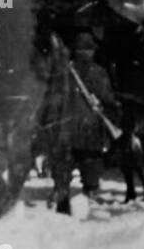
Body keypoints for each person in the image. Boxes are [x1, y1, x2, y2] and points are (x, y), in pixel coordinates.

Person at [42, 32, 119, 213]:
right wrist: (114, 109)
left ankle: (61, 191)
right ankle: (90, 192)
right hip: (89, 124)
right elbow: (107, 97)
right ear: (91, 51)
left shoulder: (64, 71)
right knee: (90, 159)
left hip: (66, 124)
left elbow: (54, 97)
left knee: (63, 160)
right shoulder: (98, 72)